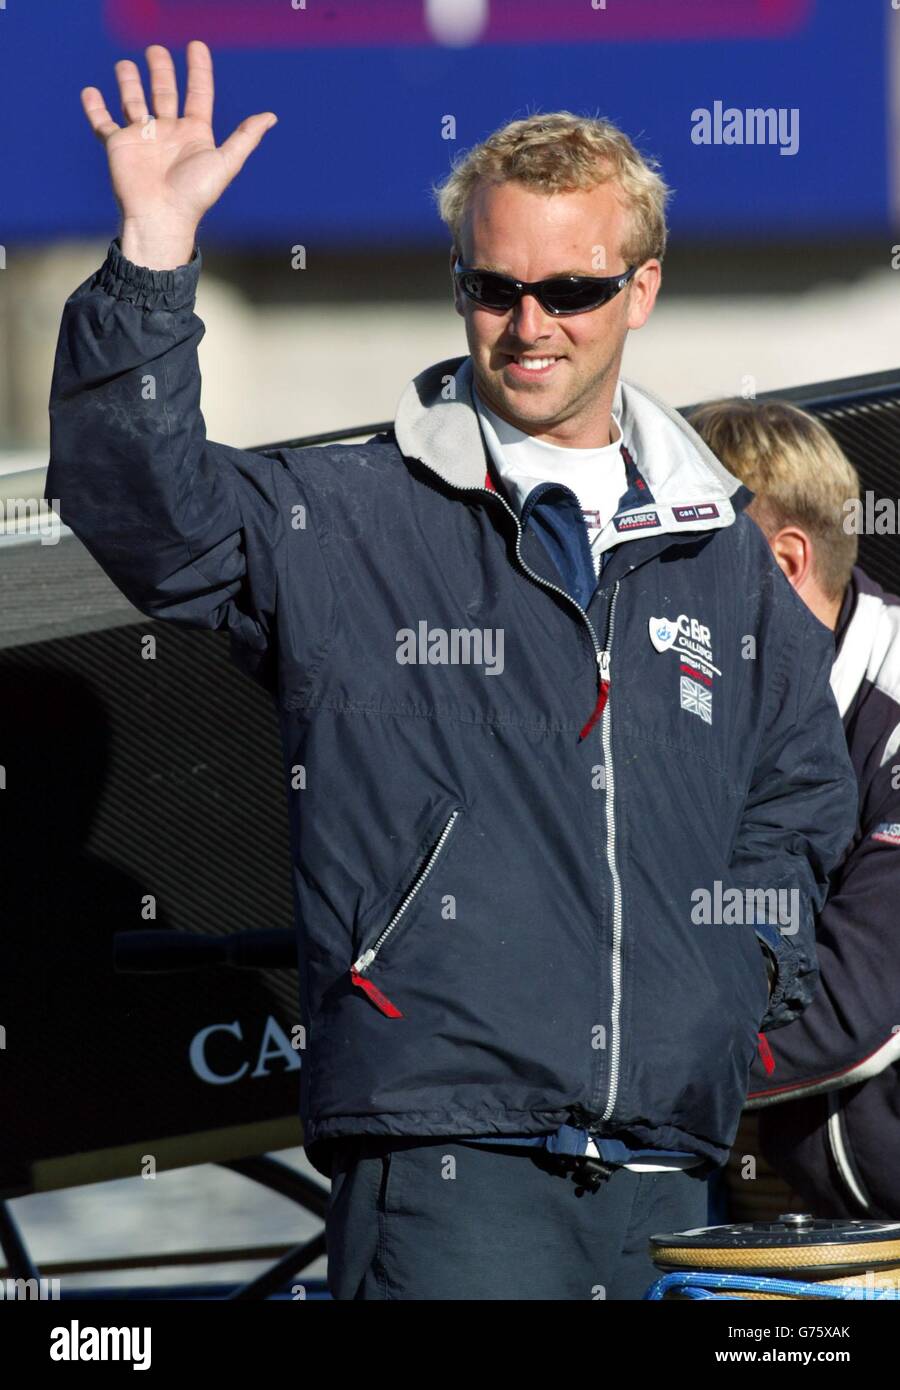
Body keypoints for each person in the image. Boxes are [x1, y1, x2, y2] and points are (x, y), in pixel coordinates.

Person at [46, 41, 857, 1299]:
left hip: (673, 1166)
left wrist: (730, 983)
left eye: (573, 288)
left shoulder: (722, 551)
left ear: (642, 289)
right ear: (459, 283)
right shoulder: (347, 512)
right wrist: (153, 255)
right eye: (495, 286)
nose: (531, 324)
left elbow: (800, 798)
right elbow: (139, 504)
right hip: (445, 1168)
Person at [689, 397, 900, 1221]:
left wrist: (605, 1062)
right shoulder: (717, 704)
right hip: (826, 1209)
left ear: (782, 564)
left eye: (677, 560)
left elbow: (854, 1008)